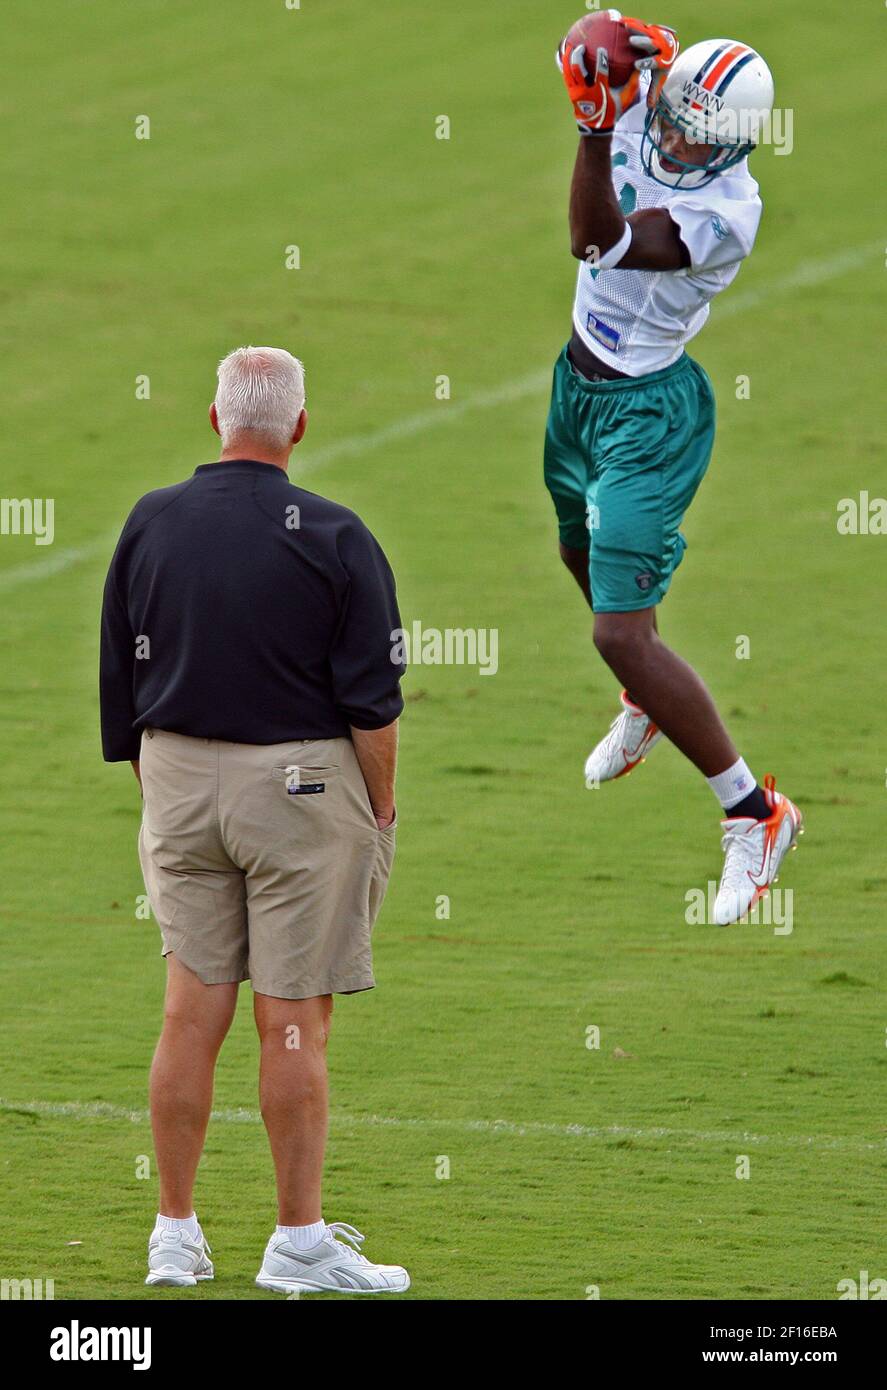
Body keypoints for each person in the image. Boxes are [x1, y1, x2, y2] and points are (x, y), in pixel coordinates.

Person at [100, 345, 409, 1294]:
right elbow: (372, 701)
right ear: (300, 428)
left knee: (188, 1017)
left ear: (214, 418)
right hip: (299, 793)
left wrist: (160, 784)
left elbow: (122, 669)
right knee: (290, 1027)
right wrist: (381, 808)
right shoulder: (336, 534)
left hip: (177, 781)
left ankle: (174, 1235)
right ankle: (297, 1243)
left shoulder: (151, 519)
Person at [545, 16, 802, 923]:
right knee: (574, 556)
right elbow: (587, 43)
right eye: (673, 115)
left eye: (700, 133)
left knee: (619, 631)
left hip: (648, 415)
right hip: (576, 382)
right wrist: (607, 42)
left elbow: (594, 242)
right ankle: (644, 699)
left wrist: (588, 127)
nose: (677, 137)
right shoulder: (657, 99)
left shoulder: (729, 212)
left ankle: (753, 812)